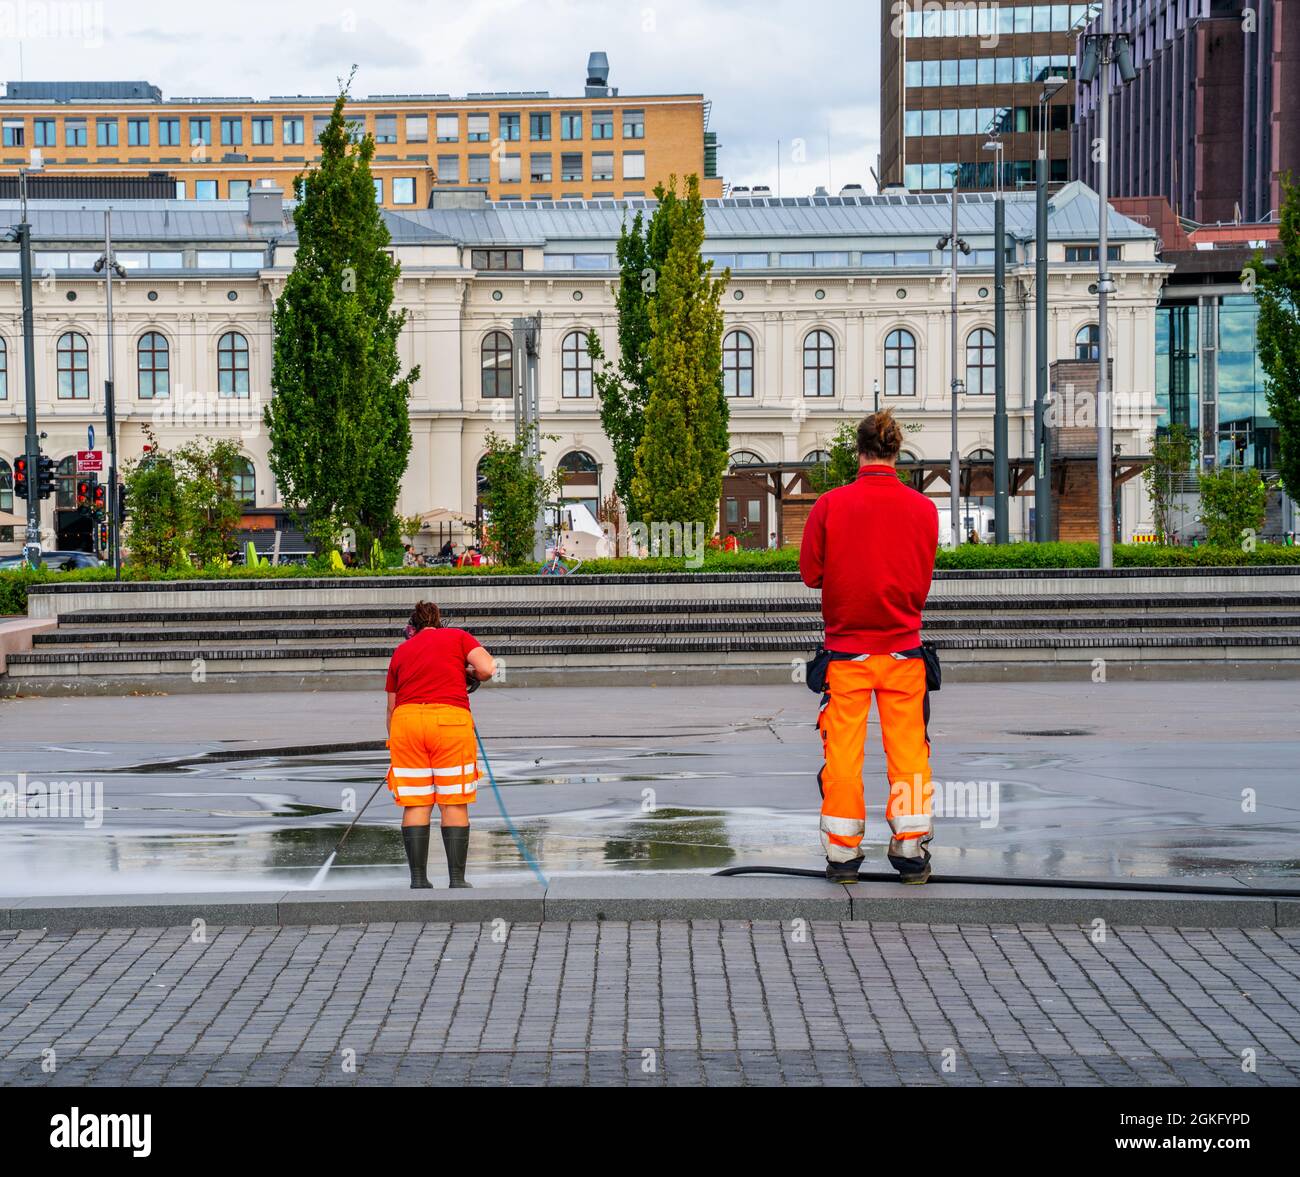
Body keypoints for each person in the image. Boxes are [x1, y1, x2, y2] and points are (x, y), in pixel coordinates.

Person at [799, 409, 939, 885]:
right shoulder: (924, 509)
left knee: (842, 756)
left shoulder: (830, 506)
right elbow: (921, 580)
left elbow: (811, 575)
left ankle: (843, 856)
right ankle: (910, 850)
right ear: (895, 451)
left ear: (857, 452)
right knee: (909, 755)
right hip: (904, 650)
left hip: (847, 653)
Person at [384, 600, 496, 889]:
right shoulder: (457, 637)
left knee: (416, 802)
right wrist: (470, 674)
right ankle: (457, 879)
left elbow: (391, 707)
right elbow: (488, 667)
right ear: (439, 621)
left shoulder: (401, 651)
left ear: (414, 626)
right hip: (449, 722)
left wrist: (396, 747)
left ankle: (419, 880)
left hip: (406, 725)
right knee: (453, 801)